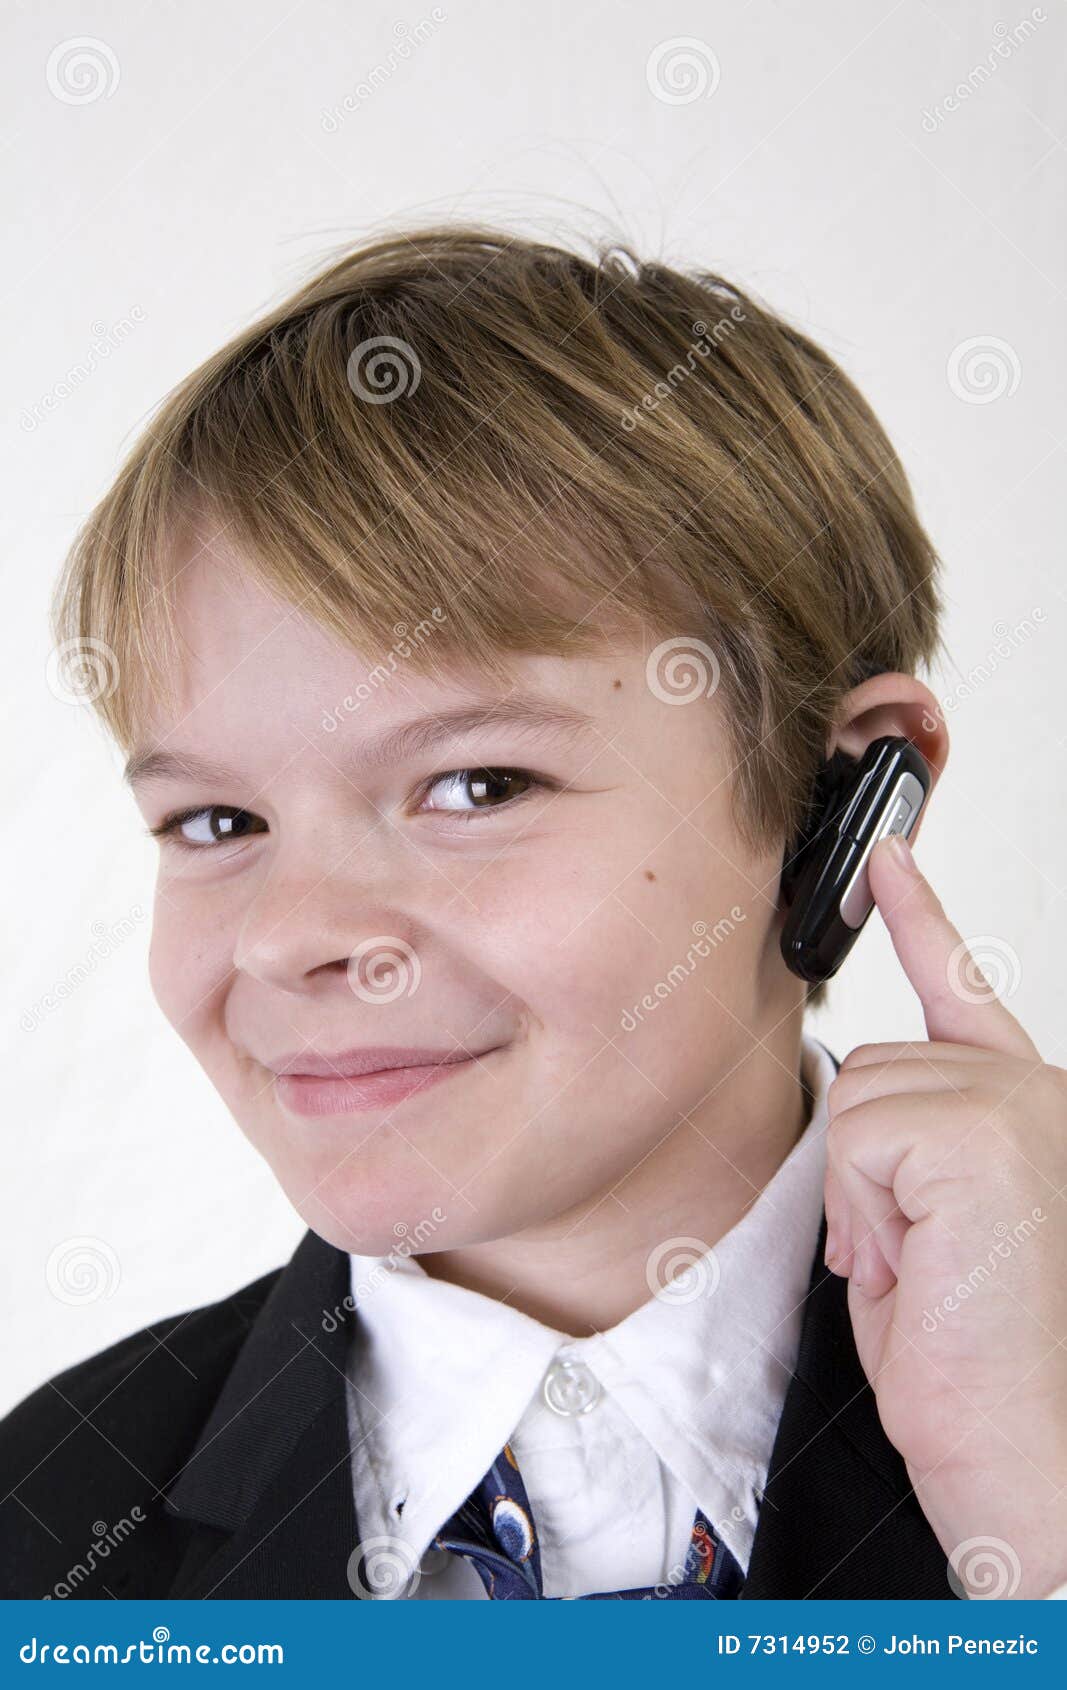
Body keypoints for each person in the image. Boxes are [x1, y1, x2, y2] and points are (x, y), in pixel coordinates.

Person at [2, 226, 1065, 1602]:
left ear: (842, 799)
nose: (289, 933)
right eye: (218, 822)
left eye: (474, 783)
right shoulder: (50, 1523)